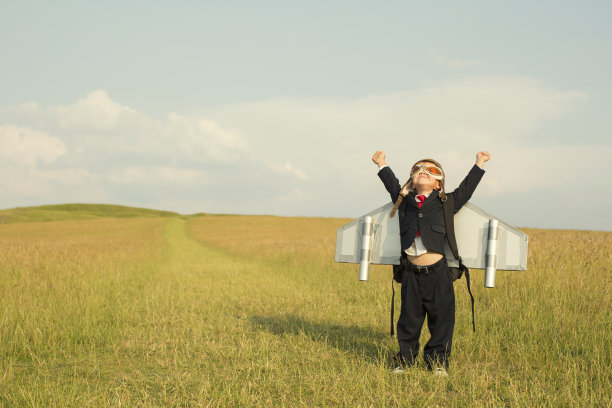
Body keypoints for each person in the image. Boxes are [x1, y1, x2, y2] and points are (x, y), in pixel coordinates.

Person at [371, 150, 491, 376]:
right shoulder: (404, 201)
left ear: (438, 184)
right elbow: (392, 184)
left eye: (431, 171)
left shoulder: (447, 202)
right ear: (412, 182)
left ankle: (437, 362)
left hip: (438, 273)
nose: (423, 172)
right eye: (417, 170)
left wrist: (479, 163)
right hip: (410, 272)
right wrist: (382, 164)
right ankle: (404, 361)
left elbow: (466, 189)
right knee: (408, 319)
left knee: (442, 320)